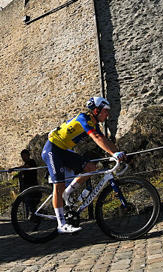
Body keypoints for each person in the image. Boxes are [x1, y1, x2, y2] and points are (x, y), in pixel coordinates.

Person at [42, 96, 126, 234]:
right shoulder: (83, 118)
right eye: (105, 111)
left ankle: (67, 194)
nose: (107, 114)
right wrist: (113, 154)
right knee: (59, 185)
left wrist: (119, 153)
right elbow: (97, 138)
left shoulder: (94, 124)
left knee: (91, 168)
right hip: (52, 149)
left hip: (63, 150)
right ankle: (61, 225)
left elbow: (104, 139)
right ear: (96, 110)